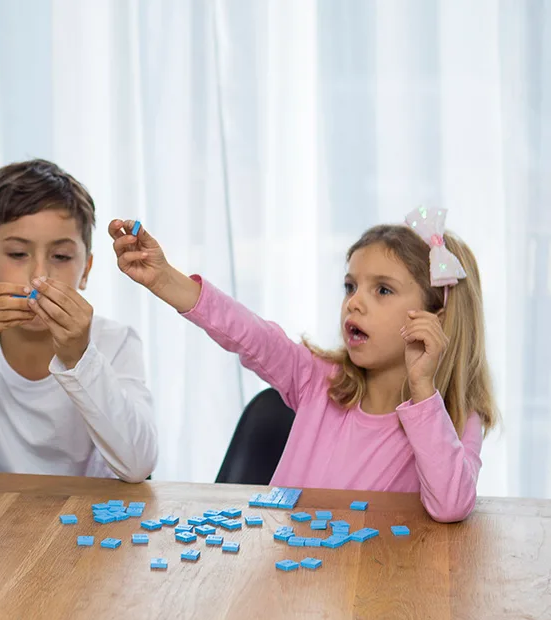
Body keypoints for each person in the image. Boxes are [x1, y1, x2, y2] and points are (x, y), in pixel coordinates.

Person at [108, 206, 498, 521]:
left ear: (437, 318)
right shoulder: (316, 379)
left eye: (382, 290)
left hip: (376, 599)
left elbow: (450, 506)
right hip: (285, 588)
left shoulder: (456, 418)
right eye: (350, 286)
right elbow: (248, 332)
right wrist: (165, 279)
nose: (355, 302)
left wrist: (423, 393)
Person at [0, 159, 158, 481]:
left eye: (61, 257)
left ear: (86, 270)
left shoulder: (115, 342)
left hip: (94, 522)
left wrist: (79, 357)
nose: (39, 276)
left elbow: (139, 465)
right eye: (18, 254)